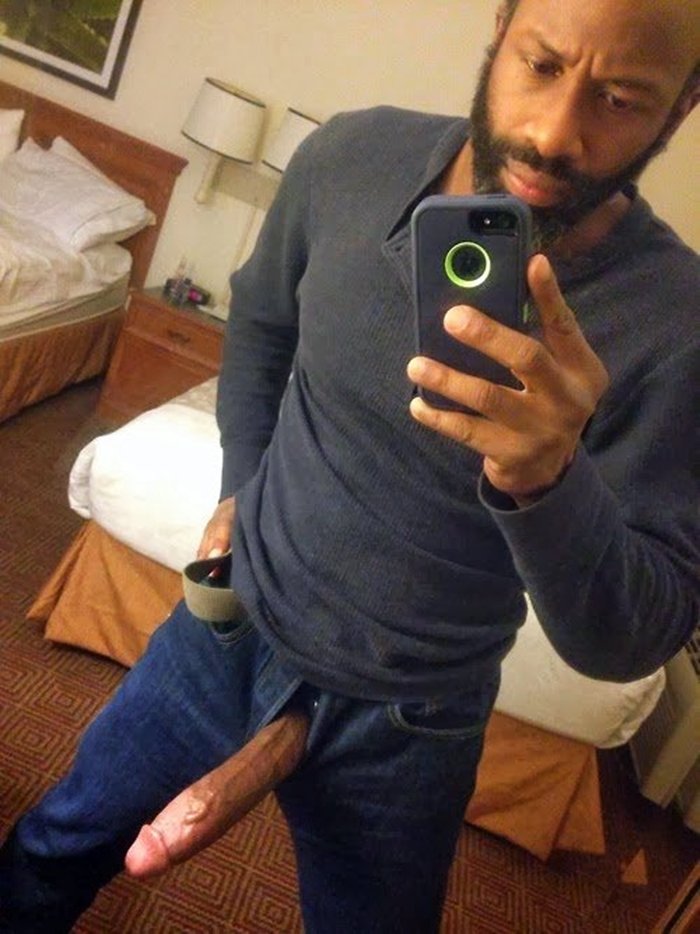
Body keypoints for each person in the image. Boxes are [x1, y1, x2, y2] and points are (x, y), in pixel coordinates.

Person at [2, 0, 699, 930]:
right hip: (229, 622)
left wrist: (549, 480)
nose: (552, 133)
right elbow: (261, 325)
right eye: (542, 64)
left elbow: (627, 641)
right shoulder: (347, 157)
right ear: (501, 29)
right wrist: (239, 483)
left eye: (620, 99)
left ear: (681, 108)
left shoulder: (676, 324)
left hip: (415, 718)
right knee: (55, 846)